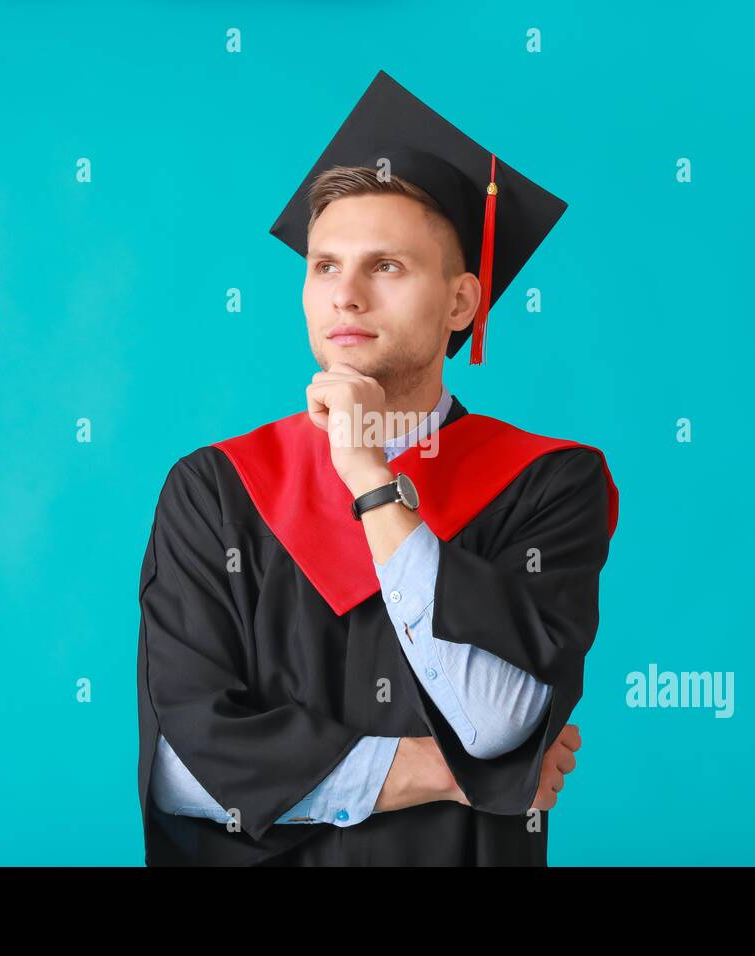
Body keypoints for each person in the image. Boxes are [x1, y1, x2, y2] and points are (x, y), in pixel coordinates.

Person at [136, 70, 619, 865]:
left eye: (385, 266)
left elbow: (495, 723)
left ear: (462, 303)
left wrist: (369, 476)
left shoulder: (547, 483)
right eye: (324, 265)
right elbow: (184, 772)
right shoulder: (215, 489)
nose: (345, 296)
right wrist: (450, 773)